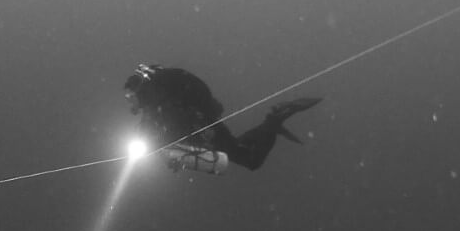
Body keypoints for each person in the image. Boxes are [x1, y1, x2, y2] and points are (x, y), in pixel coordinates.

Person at [123, 63, 321, 172]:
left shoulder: (162, 102)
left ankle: (275, 118)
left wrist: (170, 150)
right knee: (238, 148)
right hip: (201, 127)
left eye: (130, 97)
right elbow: (158, 128)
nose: (130, 102)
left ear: (140, 92)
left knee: (250, 160)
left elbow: (174, 126)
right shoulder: (157, 102)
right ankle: (272, 122)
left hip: (205, 125)